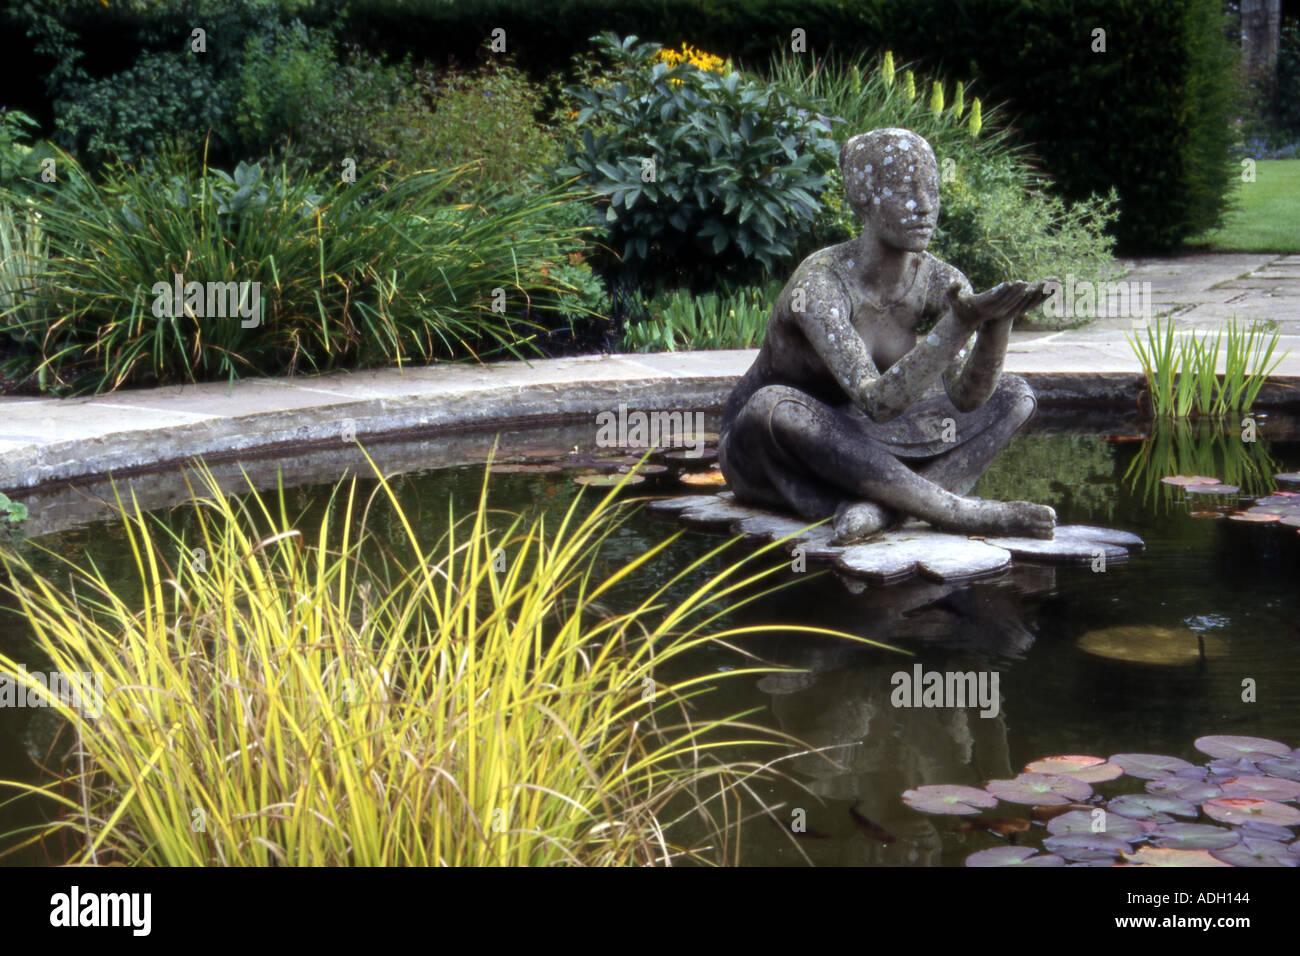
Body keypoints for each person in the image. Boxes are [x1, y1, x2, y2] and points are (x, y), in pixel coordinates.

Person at [718, 128, 1057, 542]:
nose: (925, 206)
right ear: (864, 198)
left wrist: (997, 324)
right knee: (771, 405)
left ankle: (882, 510)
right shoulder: (821, 284)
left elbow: (968, 398)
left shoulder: (941, 279)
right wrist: (957, 324)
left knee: (1015, 396)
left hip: (863, 442)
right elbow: (877, 400)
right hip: (777, 449)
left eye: (932, 189)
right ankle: (958, 512)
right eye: (905, 191)